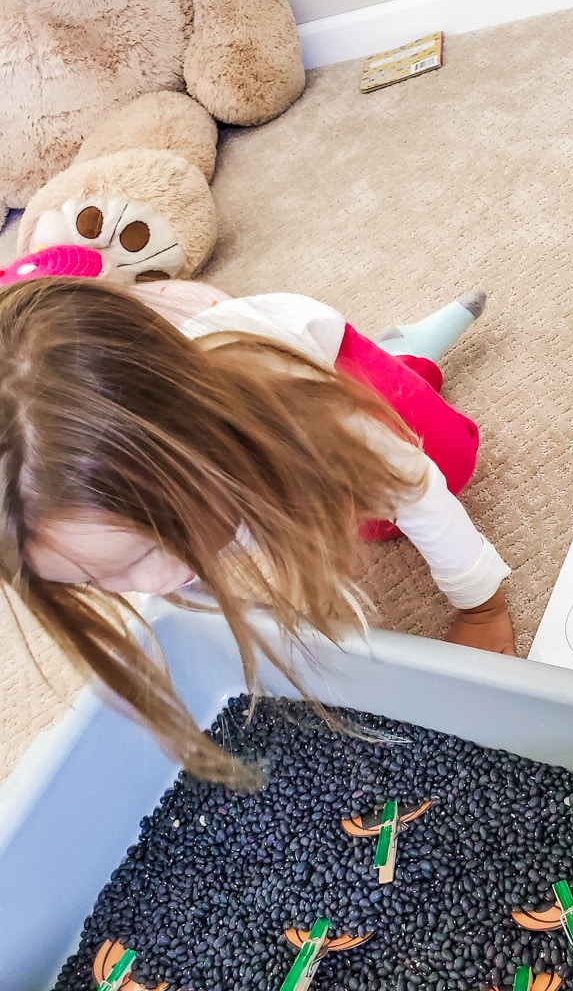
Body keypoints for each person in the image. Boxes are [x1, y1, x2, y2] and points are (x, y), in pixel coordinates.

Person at [0, 275, 513, 786]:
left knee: (431, 470)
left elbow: (416, 488)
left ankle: (402, 360)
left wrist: (481, 606)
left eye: (158, 542)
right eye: (97, 578)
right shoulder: (97, 514)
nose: (153, 584)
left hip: (318, 363)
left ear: (201, 442)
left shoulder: (303, 415)